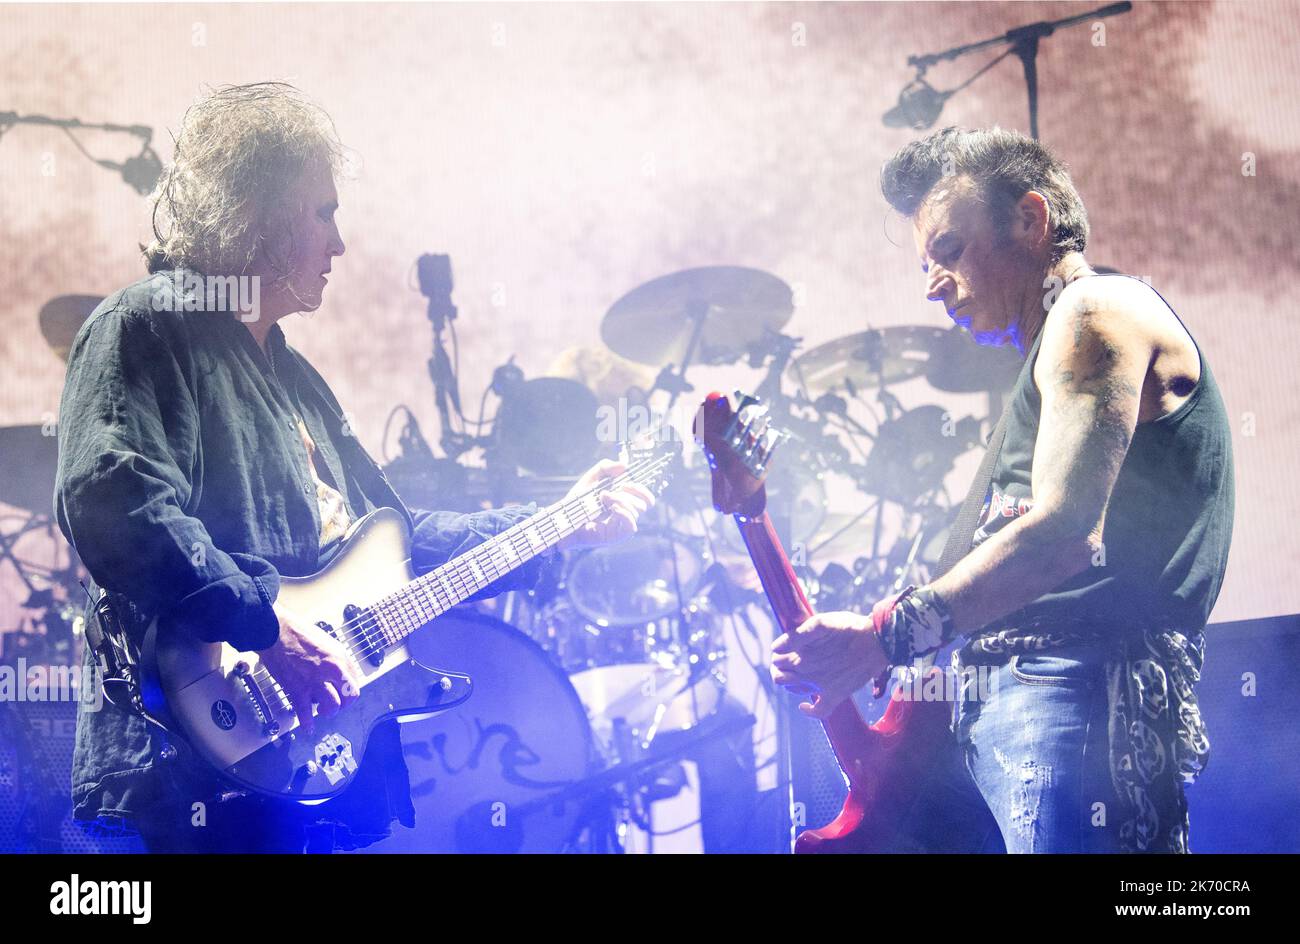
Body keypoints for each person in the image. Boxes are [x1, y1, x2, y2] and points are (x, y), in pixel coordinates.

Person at [54, 83, 653, 853]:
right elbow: (113, 500)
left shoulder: (295, 377)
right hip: (175, 780)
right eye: (323, 213)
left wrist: (559, 522)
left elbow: (400, 540)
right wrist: (265, 627)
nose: (339, 244)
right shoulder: (149, 324)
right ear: (256, 213)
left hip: (310, 785)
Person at [771, 127, 1234, 853]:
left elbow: (1062, 533)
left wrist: (885, 638)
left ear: (1029, 218)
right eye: (925, 263)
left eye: (949, 249)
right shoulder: (1054, 353)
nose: (933, 283)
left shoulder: (1095, 309)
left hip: (1069, 691)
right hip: (1023, 705)